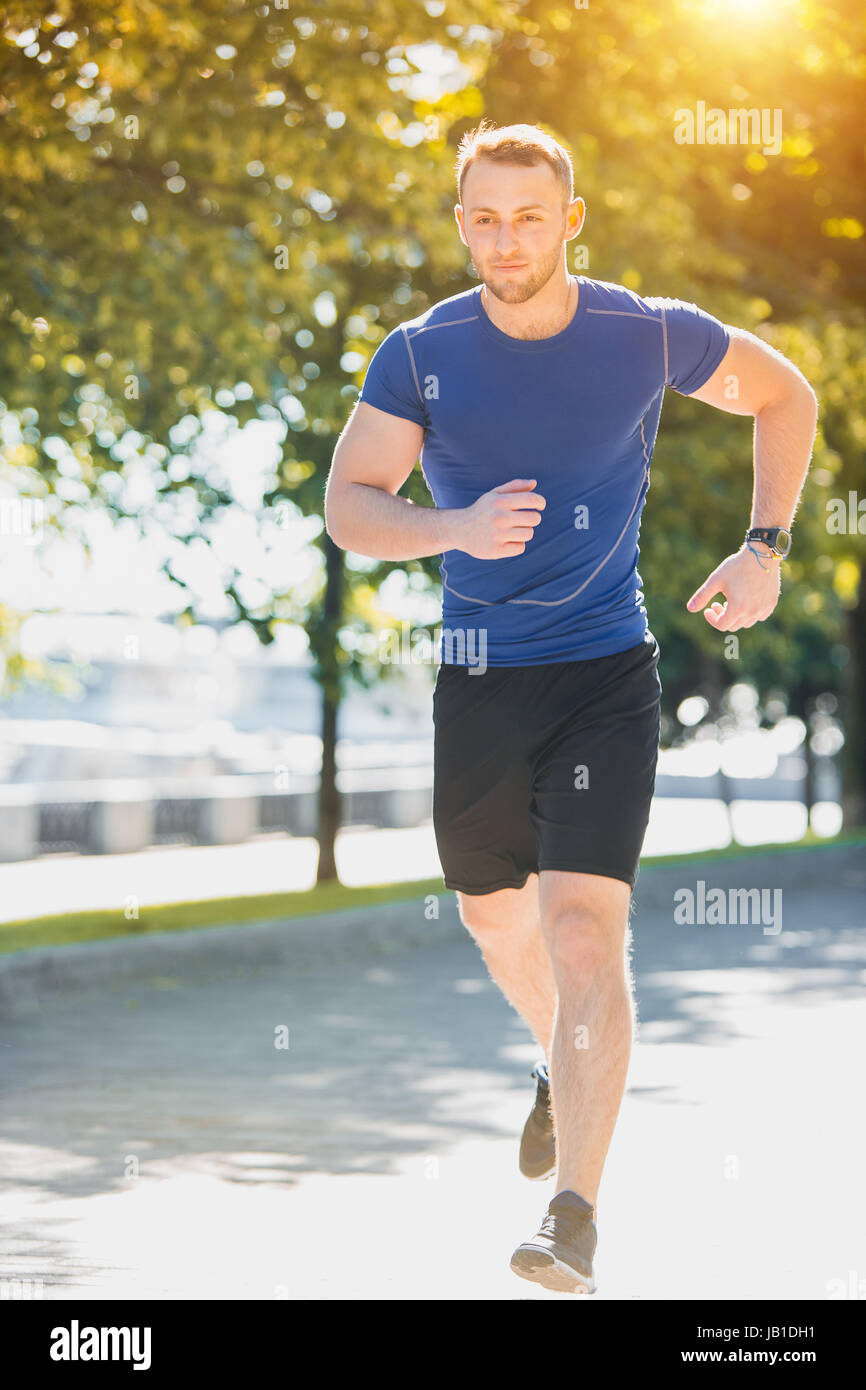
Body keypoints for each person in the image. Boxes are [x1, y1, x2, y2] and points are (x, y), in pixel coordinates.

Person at [324, 120, 818, 1294]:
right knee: (496, 919)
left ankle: (573, 1216)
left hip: (605, 672)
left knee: (586, 930)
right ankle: (556, 1057)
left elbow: (784, 398)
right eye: (483, 218)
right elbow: (350, 504)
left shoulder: (640, 333)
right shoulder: (419, 352)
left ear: (570, 222)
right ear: (460, 225)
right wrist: (446, 526)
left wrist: (764, 546)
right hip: (480, 680)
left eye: (528, 217)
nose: (505, 240)